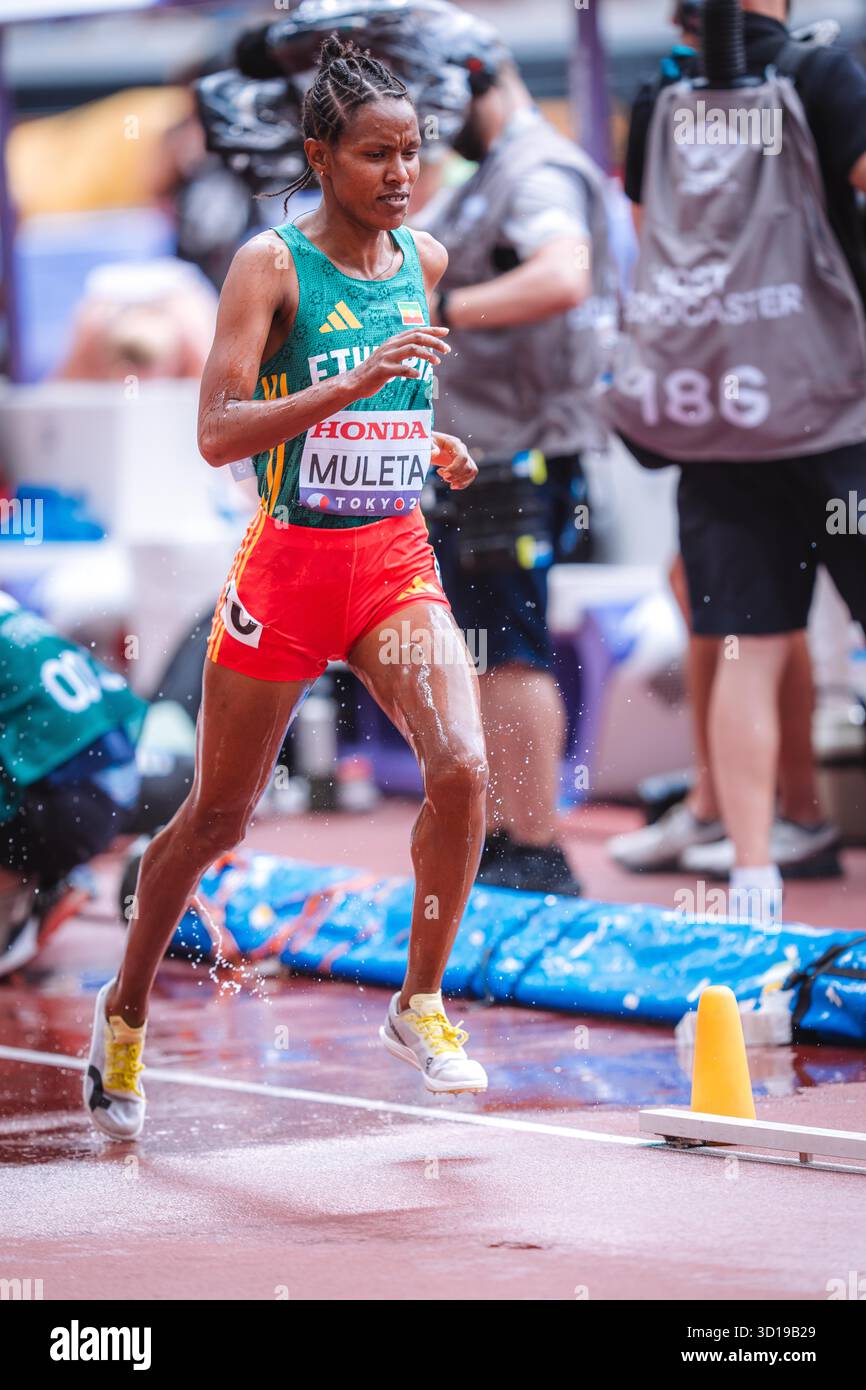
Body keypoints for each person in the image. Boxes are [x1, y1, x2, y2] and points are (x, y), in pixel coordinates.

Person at [84, 36, 489, 1142]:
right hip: (288, 567)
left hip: (392, 557)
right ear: (319, 155)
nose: (398, 174)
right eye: (373, 155)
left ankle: (420, 1003)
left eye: (410, 152)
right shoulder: (267, 266)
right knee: (217, 815)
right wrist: (344, 386)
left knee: (461, 766)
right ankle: (123, 1008)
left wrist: (427, 441)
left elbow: (388, 413)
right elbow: (216, 435)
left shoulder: (428, 257)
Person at [619, 0, 866, 920]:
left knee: (747, 647)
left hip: (718, 416)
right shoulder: (822, 74)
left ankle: (754, 883)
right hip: (839, 412)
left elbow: (655, 244)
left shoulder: (660, 96)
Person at [419, 37, 617, 896]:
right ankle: (505, 834)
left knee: (514, 649)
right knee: (487, 647)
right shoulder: (493, 168)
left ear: (473, 82)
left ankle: (537, 844)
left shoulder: (538, 168)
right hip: (486, 454)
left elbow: (564, 275)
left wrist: (443, 307)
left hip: (521, 453)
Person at [0, 592, 145, 977]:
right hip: (113, 782)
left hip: (69, 803)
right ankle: (49, 879)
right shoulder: (11, 609)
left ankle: (39, 883)